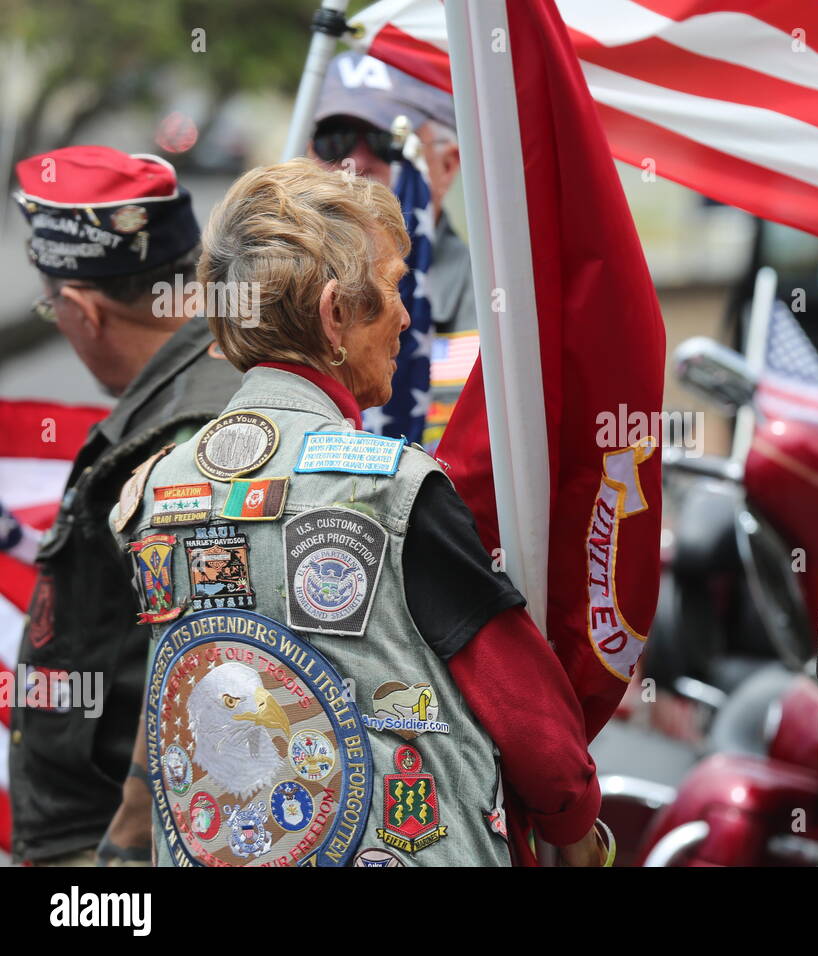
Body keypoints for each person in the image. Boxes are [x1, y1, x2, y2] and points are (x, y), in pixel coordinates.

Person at [109, 159, 604, 867]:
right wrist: (580, 834)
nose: (406, 315)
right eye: (396, 288)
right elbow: (536, 727)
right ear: (334, 313)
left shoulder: (152, 492)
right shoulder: (395, 489)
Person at [8, 146, 242, 865]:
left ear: (82, 308)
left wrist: (126, 840)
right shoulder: (213, 389)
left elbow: (212, 653)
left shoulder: (181, 436)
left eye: (53, 308)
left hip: (120, 844)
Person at [308, 51, 475, 447]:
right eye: (335, 141)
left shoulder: (506, 308)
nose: (355, 162)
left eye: (389, 143)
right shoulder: (262, 305)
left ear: (447, 165)